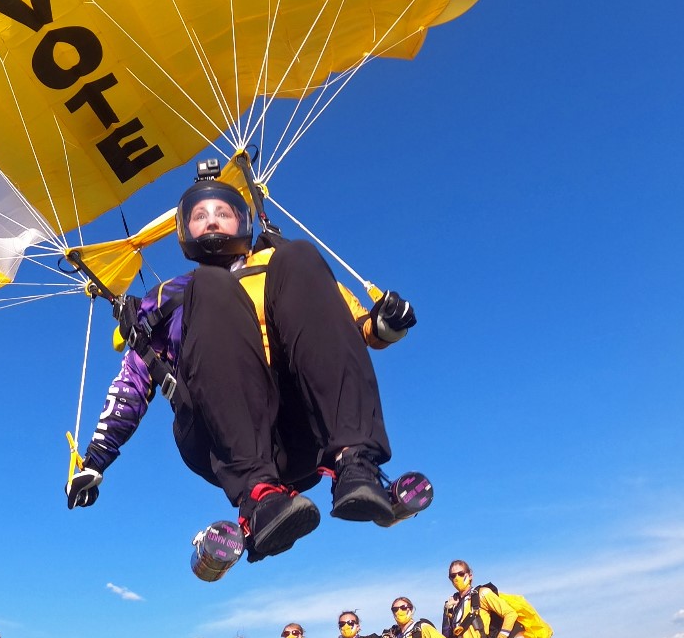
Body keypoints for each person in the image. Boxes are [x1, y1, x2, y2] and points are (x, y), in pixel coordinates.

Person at [65, 164, 419, 563]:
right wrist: (96, 458)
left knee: (298, 254)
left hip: (308, 429)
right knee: (211, 286)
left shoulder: (280, 265)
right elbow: (134, 381)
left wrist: (385, 326)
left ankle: (355, 461)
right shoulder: (169, 297)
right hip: (221, 436)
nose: (211, 220)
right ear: (185, 230)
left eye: (222, 212)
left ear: (243, 221)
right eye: (199, 215)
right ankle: (259, 495)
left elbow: (346, 329)